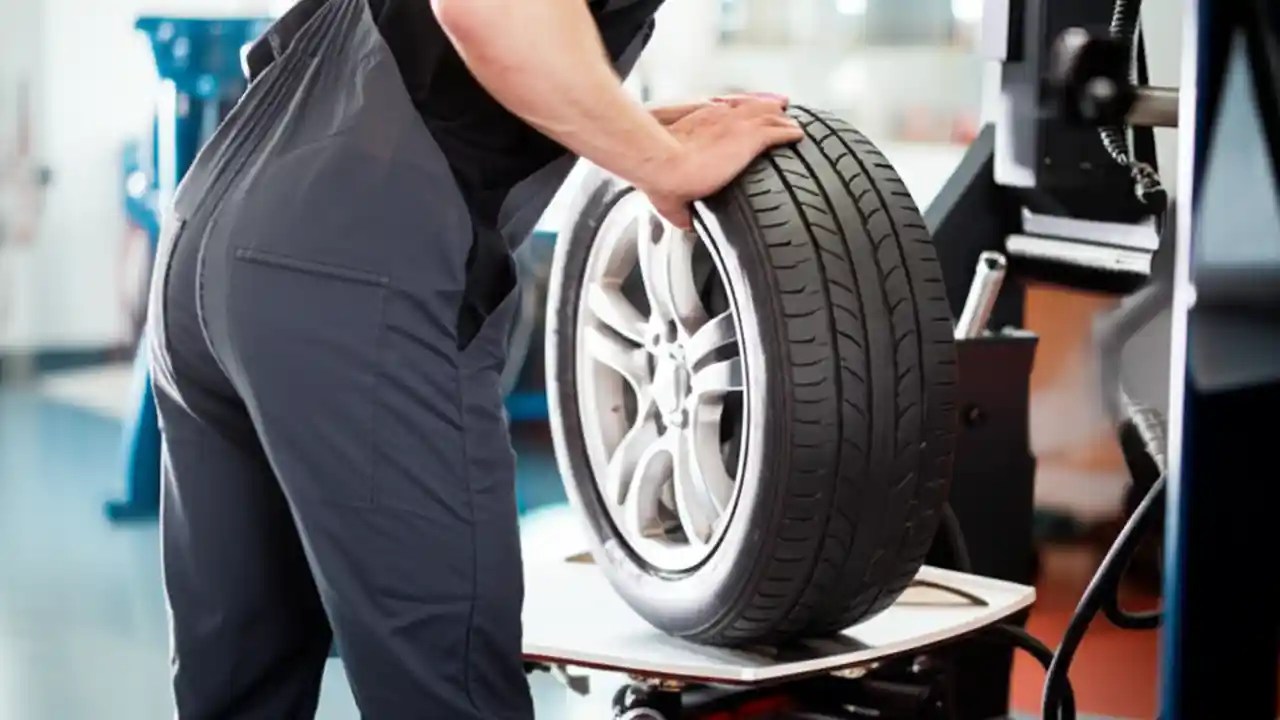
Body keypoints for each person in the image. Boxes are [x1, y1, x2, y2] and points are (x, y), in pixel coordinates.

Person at [147, 0, 803, 718]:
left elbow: (434, 68)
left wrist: (635, 136)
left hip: (210, 236)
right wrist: (663, 162)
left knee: (240, 687)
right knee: (448, 689)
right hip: (348, 259)